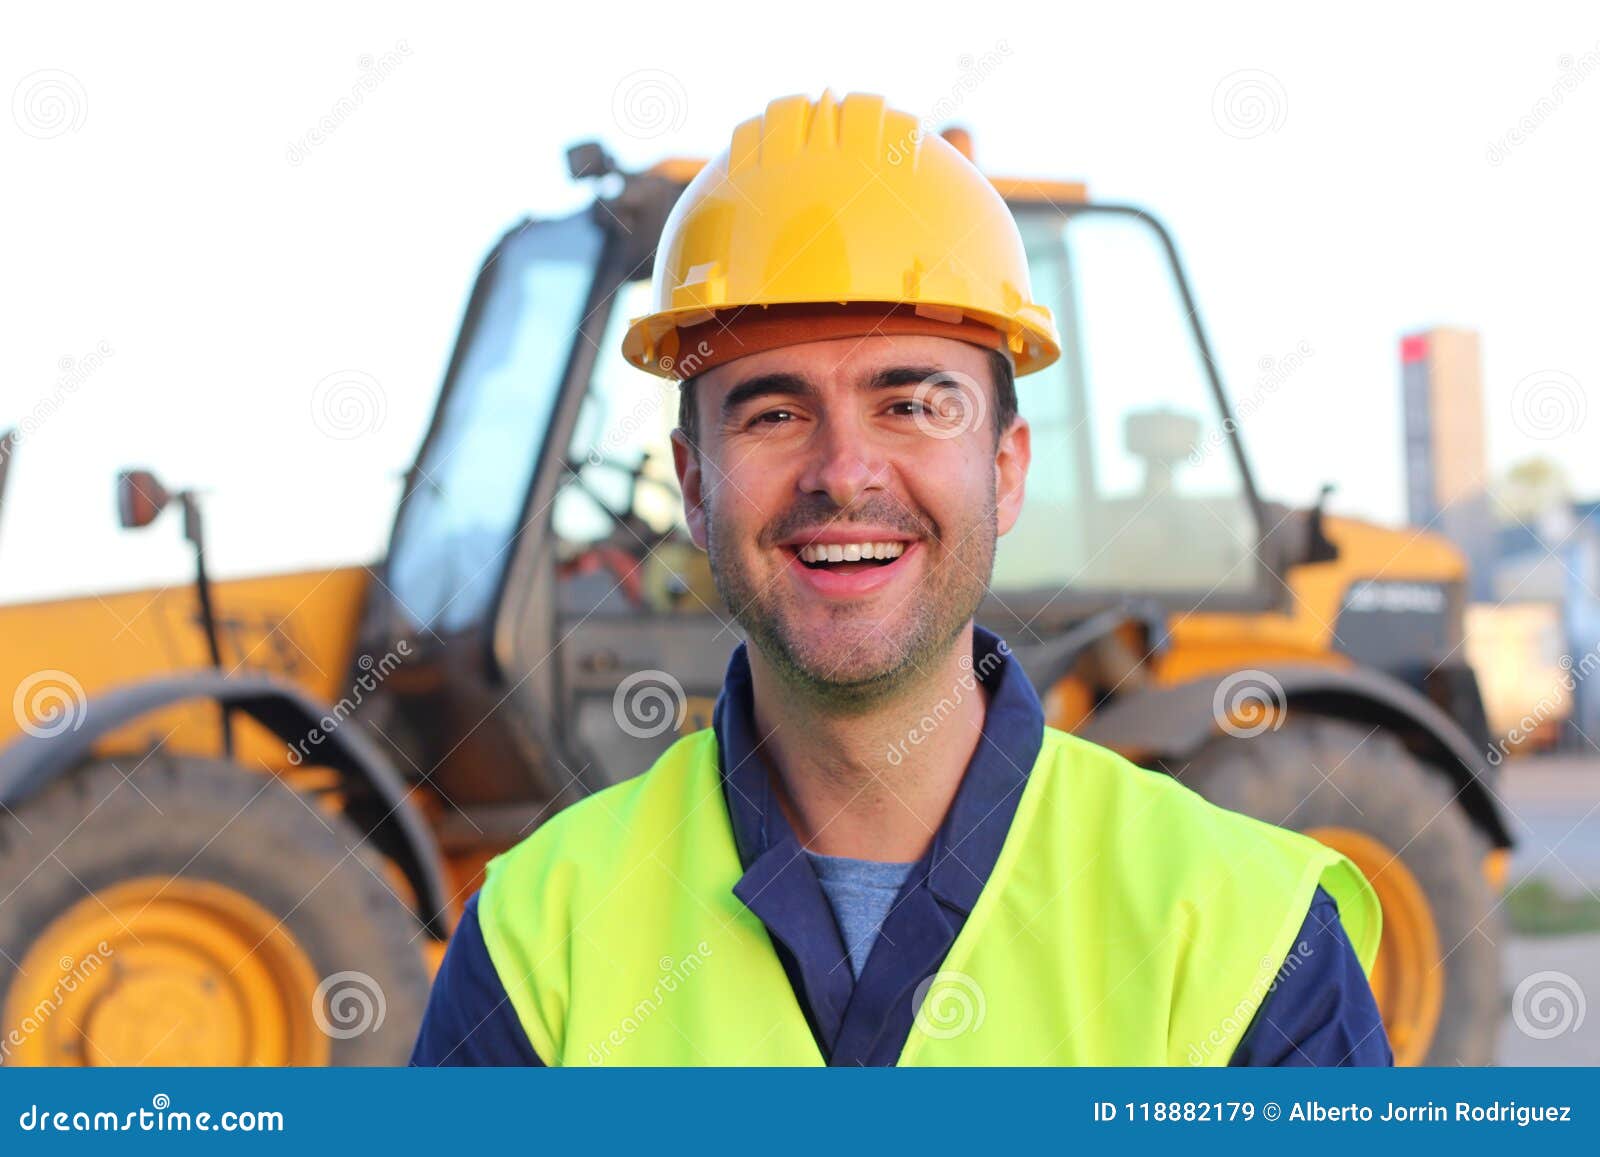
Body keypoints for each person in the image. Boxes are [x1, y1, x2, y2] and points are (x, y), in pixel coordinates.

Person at [411, 89, 1391, 1067]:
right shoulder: (538, 941)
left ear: (1005, 469)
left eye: (912, 406)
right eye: (774, 414)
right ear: (695, 484)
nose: (844, 470)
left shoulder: (1249, 938)